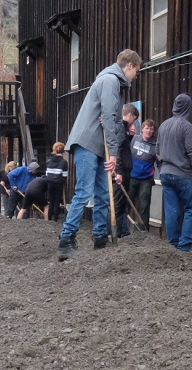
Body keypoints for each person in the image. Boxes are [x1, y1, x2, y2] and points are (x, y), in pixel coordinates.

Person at [57, 50, 141, 260]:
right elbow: (109, 117)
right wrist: (114, 154)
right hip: (88, 143)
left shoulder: (114, 83)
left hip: (99, 146)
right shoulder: (110, 80)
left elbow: (112, 122)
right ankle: (66, 239)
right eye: (136, 71)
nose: (135, 76)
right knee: (84, 191)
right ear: (130, 65)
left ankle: (100, 237)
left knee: (103, 193)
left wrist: (111, 151)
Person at [155, 93, 192, 252]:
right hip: (183, 174)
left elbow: (157, 152)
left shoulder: (163, 125)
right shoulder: (186, 126)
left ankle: (173, 245)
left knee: (172, 210)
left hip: (165, 173)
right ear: (188, 107)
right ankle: (185, 246)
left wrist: (166, 164)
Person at [113, 103, 140, 238]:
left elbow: (123, 147)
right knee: (118, 203)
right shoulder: (120, 128)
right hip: (121, 171)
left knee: (123, 203)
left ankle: (122, 231)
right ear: (130, 115)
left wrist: (130, 137)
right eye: (134, 119)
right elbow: (117, 151)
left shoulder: (124, 129)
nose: (133, 123)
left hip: (125, 170)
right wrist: (119, 172)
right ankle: (117, 232)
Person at [129, 117, 159, 236]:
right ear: (142, 129)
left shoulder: (156, 144)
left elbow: (160, 162)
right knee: (126, 203)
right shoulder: (134, 139)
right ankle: (122, 230)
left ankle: (142, 233)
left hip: (146, 179)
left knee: (144, 206)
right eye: (147, 128)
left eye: (151, 129)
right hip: (131, 177)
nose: (149, 131)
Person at [38, 142, 70, 220]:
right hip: (58, 183)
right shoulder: (64, 162)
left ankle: (49, 219)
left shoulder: (49, 161)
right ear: (63, 152)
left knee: (51, 202)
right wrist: (62, 182)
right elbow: (64, 176)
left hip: (49, 183)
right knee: (57, 202)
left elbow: (47, 174)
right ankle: (55, 219)